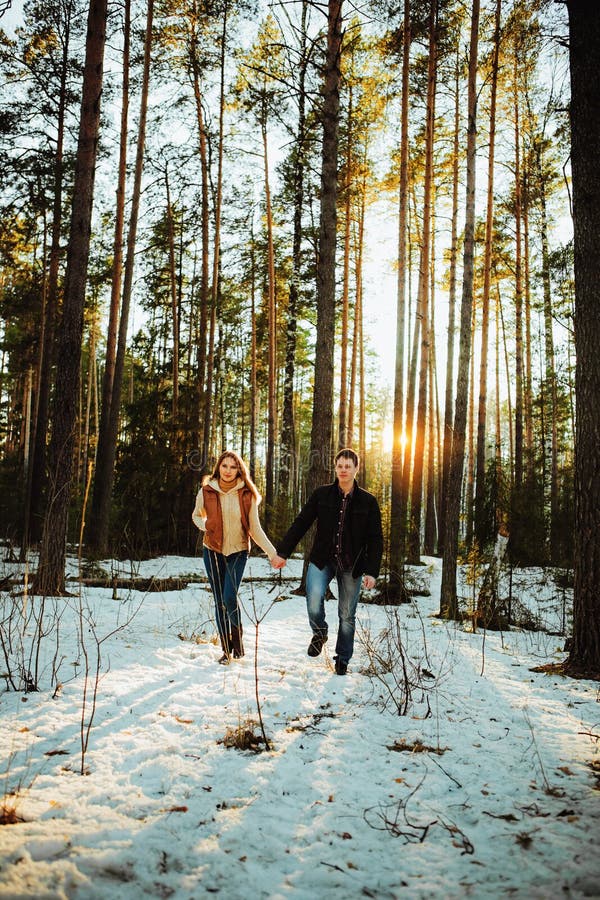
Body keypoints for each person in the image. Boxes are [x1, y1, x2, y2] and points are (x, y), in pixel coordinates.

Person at [271, 448, 383, 676]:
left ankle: (343, 658)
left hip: (352, 565)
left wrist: (372, 571)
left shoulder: (368, 501)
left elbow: (375, 538)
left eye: (348, 466)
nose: (343, 470)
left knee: (346, 615)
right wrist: (283, 552)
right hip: (323, 559)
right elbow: (302, 522)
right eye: (340, 466)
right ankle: (320, 631)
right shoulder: (322, 495)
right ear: (335, 468)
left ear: (356, 469)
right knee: (313, 599)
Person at [192, 451, 279, 665]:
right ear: (218, 468)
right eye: (224, 466)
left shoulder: (247, 495)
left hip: (238, 551)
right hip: (212, 550)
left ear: (239, 470)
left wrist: (272, 553)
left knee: (230, 596)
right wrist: (206, 526)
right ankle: (226, 650)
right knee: (219, 600)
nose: (228, 471)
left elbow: (255, 529)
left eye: (233, 467)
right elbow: (196, 515)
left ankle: (237, 638)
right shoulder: (207, 490)